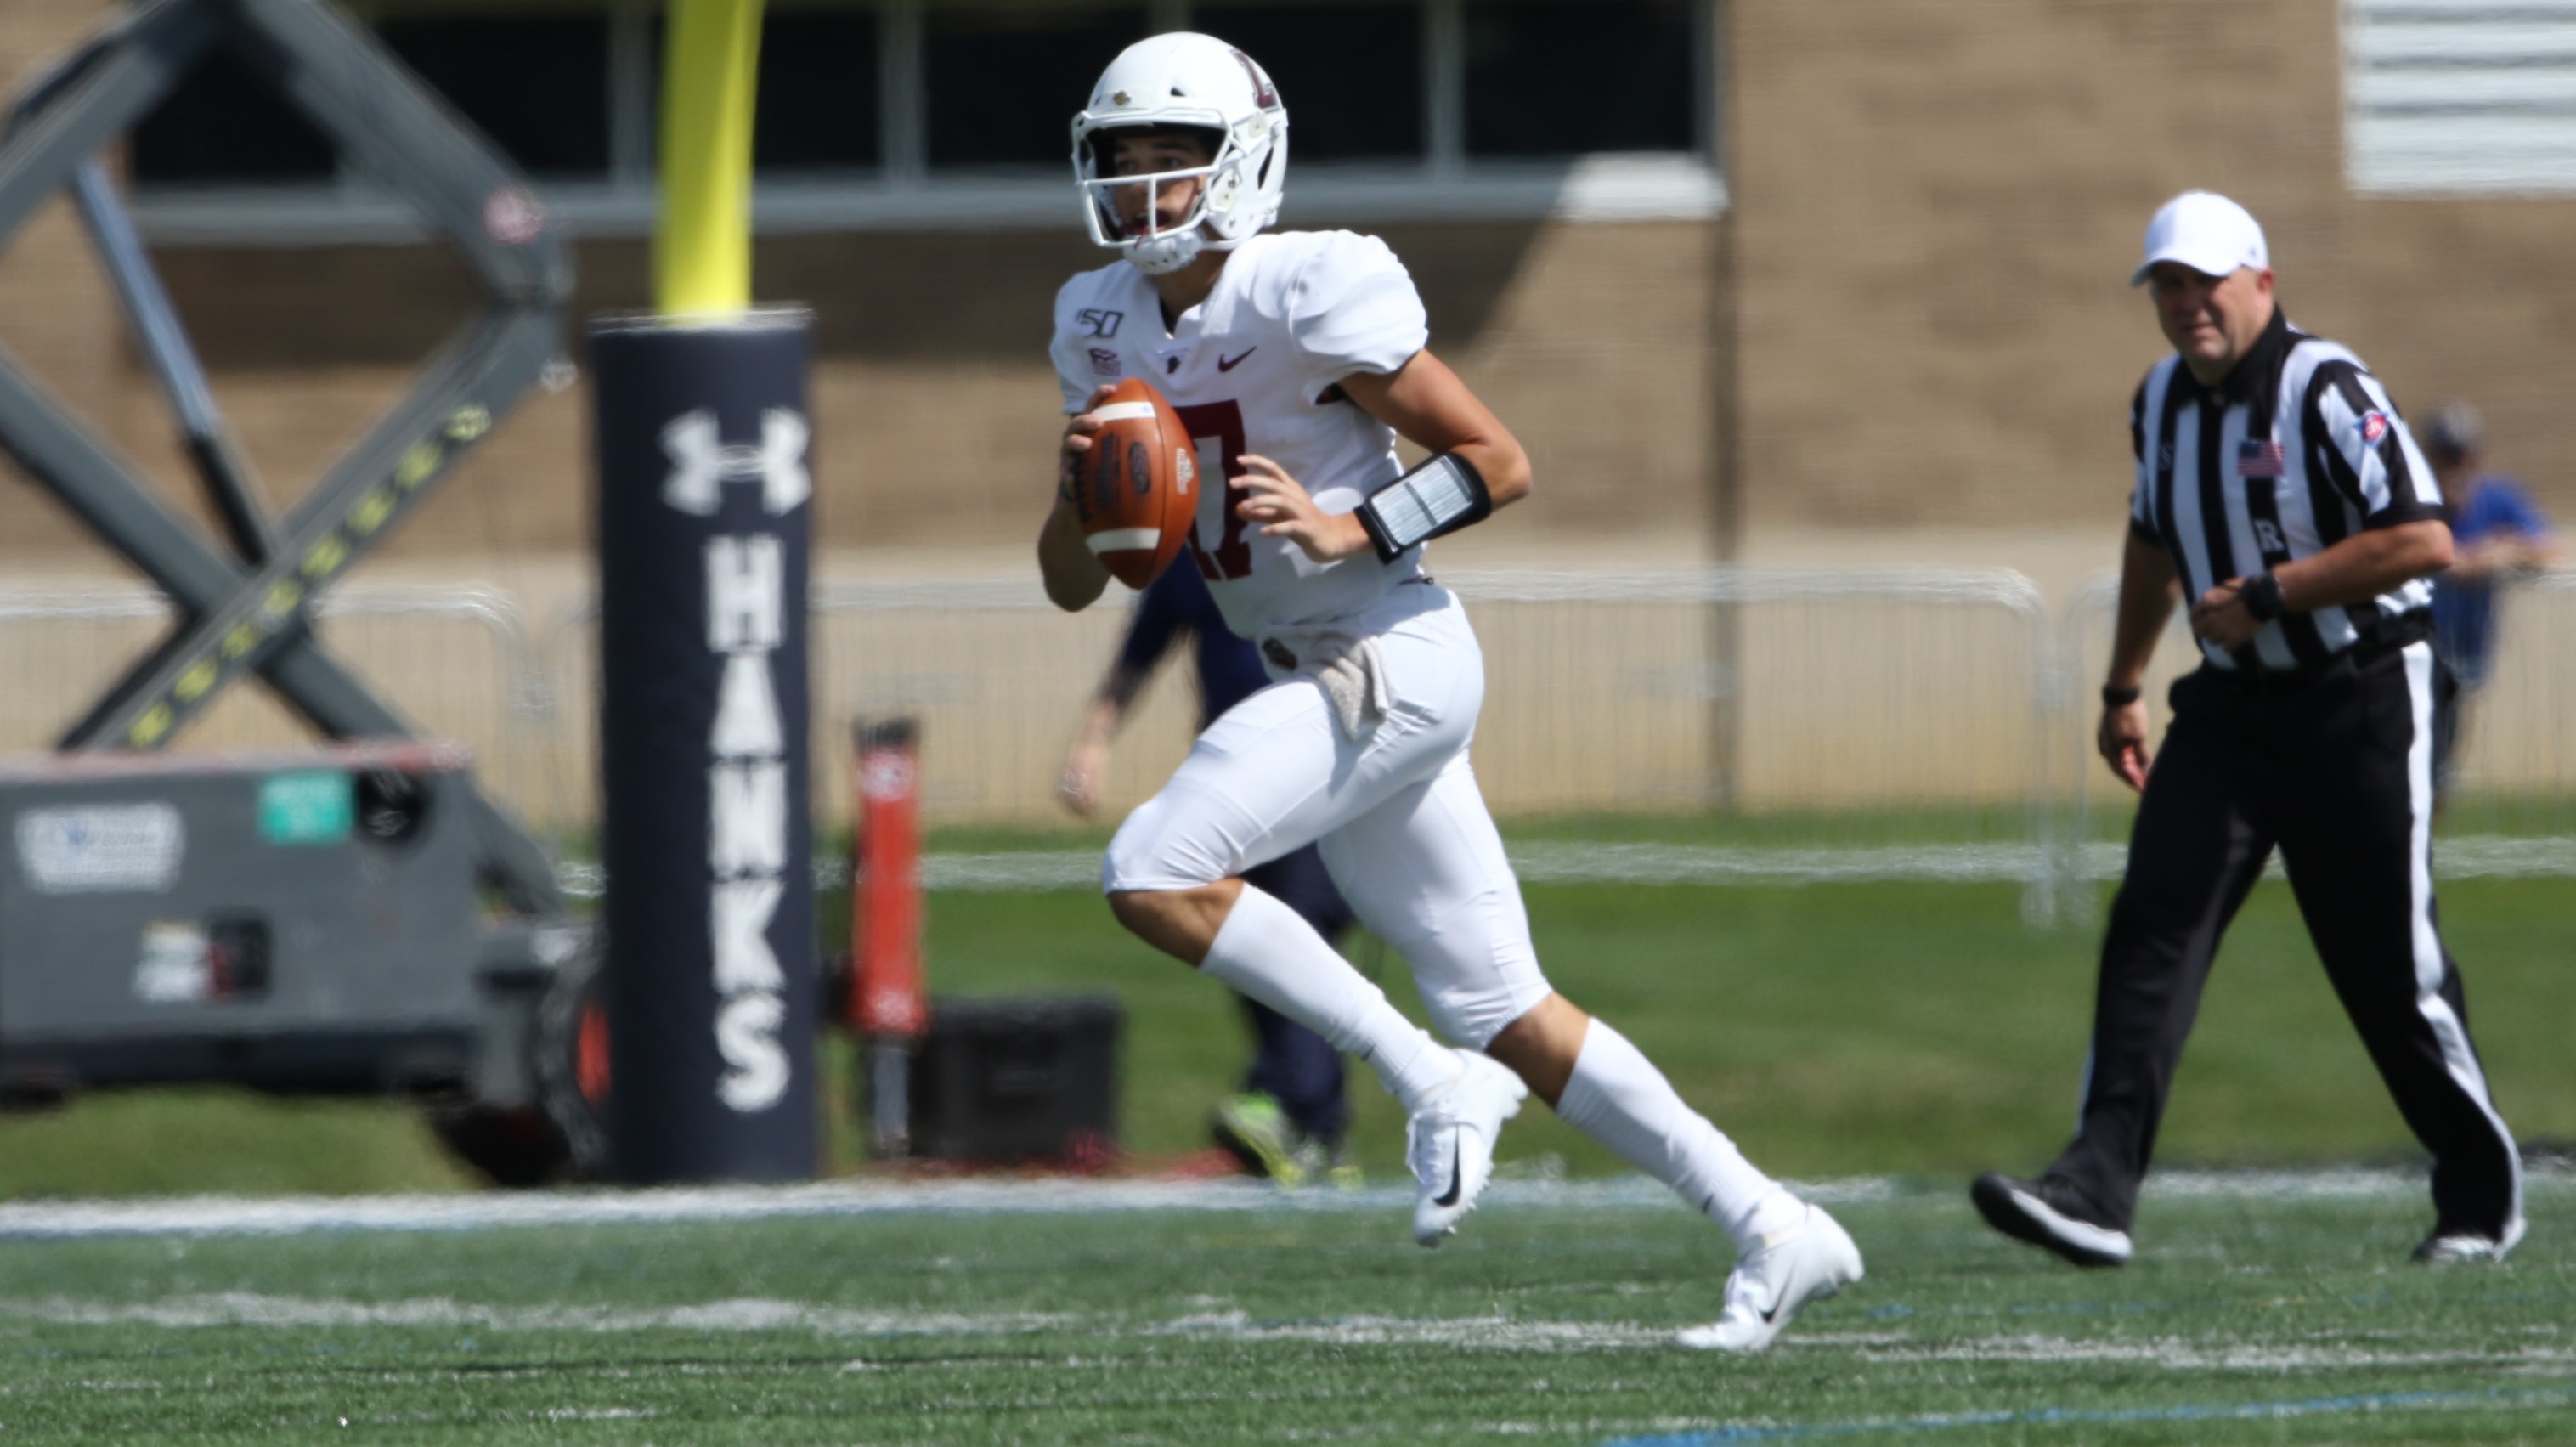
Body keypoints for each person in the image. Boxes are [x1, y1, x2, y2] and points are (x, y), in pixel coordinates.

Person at [1034, 32, 1861, 1352]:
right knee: (1508, 1006)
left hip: (1391, 650)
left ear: (1240, 164)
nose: (1143, 190)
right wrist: (1090, 499)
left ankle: (1423, 1075)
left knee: (1151, 866)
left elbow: (1498, 456)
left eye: (1172, 162)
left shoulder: (1310, 285)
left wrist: (1353, 526)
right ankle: (1773, 1221)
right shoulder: (1097, 320)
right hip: (1319, 671)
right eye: (1122, 162)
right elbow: (1076, 579)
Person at [1972, 192, 2523, 1268]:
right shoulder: (2161, 403)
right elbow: (2148, 541)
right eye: (2167, 287)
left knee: (2384, 966)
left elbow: (2421, 538)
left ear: (2260, 283)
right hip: (2229, 711)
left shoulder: (2325, 386)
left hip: (2356, 697)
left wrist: (2273, 591)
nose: (2187, 306)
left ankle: (2479, 1192)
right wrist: (2121, 681)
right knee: (2153, 925)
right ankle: (2094, 1184)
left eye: (2205, 282)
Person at [1060, 560, 1359, 1186]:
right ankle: (1306, 1119)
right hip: (1234, 780)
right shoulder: (1192, 555)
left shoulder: (1305, 536)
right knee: (1241, 931)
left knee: (1300, 928)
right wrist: (1092, 742)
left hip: (1319, 771)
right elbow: (1142, 650)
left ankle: (1298, 1107)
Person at [2422, 404, 2559, 791]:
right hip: (2408, 648)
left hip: (2465, 649)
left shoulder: (2497, 497)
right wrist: (2444, 559)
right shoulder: (2415, 498)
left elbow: (2547, 548)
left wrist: (2500, 549)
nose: (2457, 464)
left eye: (2463, 453)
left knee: (2441, 752)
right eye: (2447, 454)